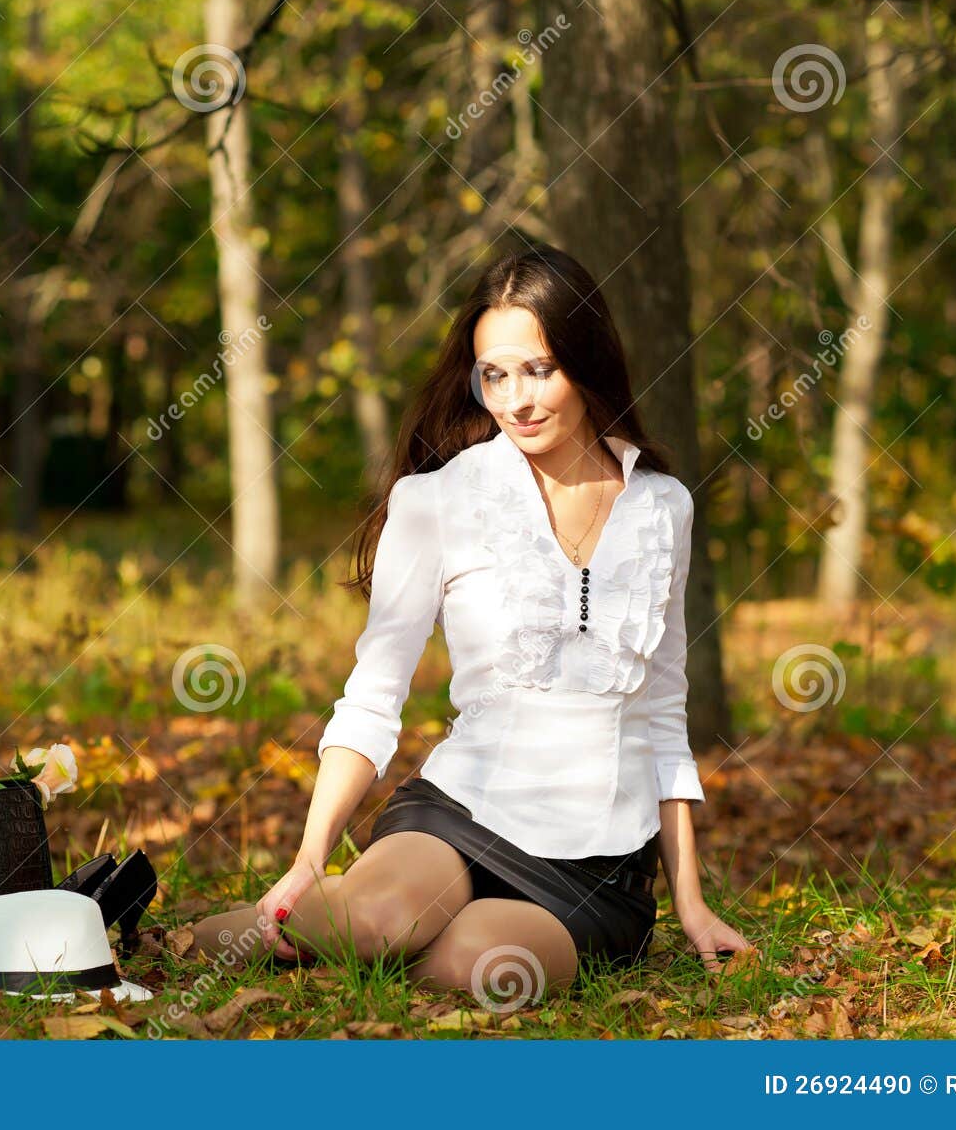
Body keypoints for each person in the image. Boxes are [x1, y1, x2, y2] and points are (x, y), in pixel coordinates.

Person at [191, 244, 753, 1004]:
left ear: (587, 361)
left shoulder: (663, 507)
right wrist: (308, 854)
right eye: (494, 374)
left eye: (539, 369)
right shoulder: (436, 501)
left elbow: (662, 714)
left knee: (479, 964)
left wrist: (690, 902)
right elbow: (373, 696)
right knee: (383, 916)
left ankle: (306, 946)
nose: (516, 399)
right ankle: (241, 927)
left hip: (593, 868)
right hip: (457, 815)